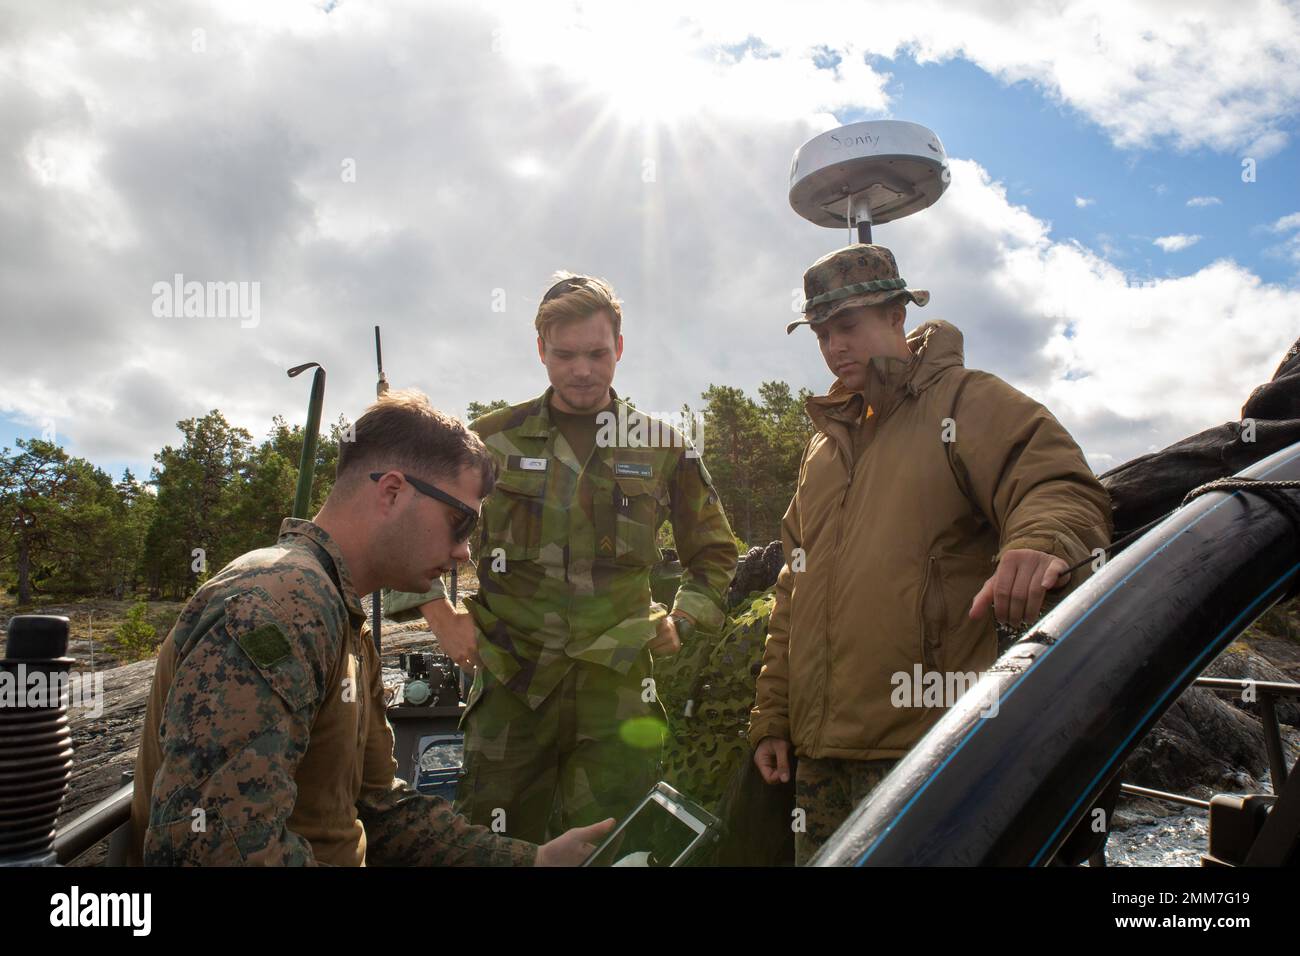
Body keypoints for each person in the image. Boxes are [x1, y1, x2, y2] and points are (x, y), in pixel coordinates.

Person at [129, 389, 610, 865]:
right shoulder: (276, 604)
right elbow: (208, 852)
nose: (465, 550)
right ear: (393, 492)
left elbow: (380, 811)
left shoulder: (341, 619)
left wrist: (533, 862)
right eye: (460, 522)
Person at [748, 244, 1113, 864]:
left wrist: (1038, 541)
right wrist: (772, 716)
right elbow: (793, 589)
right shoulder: (824, 449)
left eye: (849, 325)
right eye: (821, 332)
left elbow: (1055, 483)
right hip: (819, 760)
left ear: (897, 315)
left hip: (930, 749)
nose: (834, 346)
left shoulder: (966, 402)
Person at [387, 272, 737, 842]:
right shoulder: (489, 442)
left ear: (619, 348)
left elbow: (717, 553)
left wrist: (685, 616)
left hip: (618, 694)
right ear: (541, 350)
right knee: (494, 842)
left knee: (614, 843)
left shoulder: (662, 447)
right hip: (512, 686)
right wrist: (438, 615)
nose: (582, 370)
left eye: (598, 353)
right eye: (565, 354)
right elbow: (409, 530)